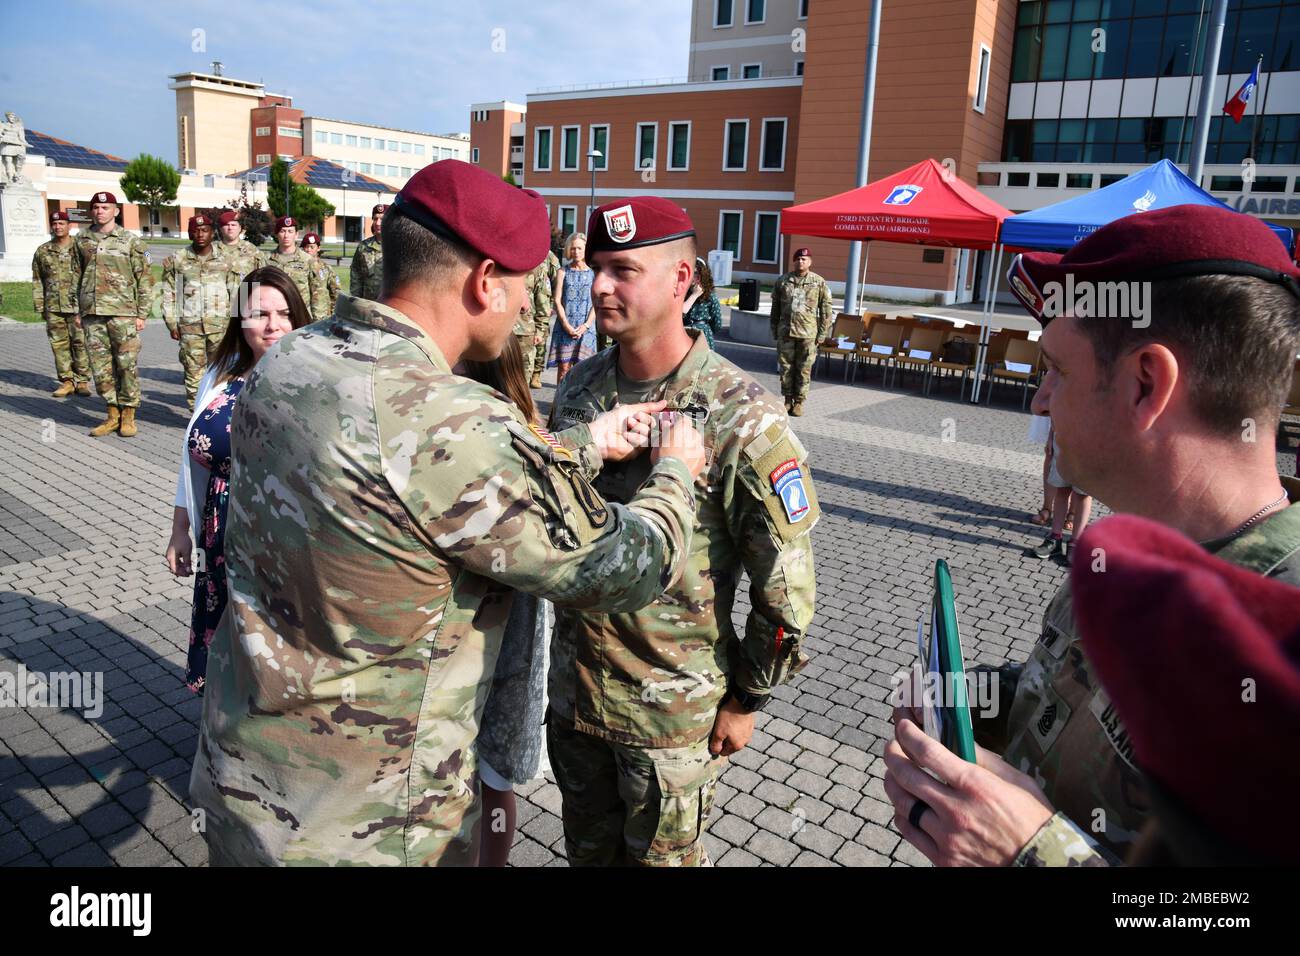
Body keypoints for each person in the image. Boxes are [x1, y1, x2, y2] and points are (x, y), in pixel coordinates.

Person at [188, 160, 706, 867]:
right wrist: (677, 468)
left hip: (246, 787)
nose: (528, 306)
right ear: (484, 281)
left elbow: (415, 486)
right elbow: (625, 566)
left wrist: (582, 444)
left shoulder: (294, 359)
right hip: (372, 830)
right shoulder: (452, 422)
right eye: (524, 286)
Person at [883, 204, 1300, 867]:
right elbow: (1067, 692)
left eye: (1058, 370)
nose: (1040, 401)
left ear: (1145, 385)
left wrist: (1028, 853)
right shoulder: (1125, 551)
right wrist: (967, 704)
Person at [546, 197, 820, 867]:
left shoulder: (743, 416)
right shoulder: (580, 391)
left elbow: (786, 591)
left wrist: (747, 697)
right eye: (599, 268)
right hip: (577, 704)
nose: (602, 286)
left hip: (668, 722)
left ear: (682, 280)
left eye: (624, 271)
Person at [1069, 514, 1300, 866]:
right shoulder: (1124, 563)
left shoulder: (1285, 585)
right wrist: (963, 697)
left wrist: (1037, 849)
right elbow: (1053, 681)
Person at [164, 267, 312, 693]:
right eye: (258, 314)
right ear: (238, 319)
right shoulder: (220, 374)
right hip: (221, 537)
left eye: (284, 313)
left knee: (276, 655)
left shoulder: (313, 378)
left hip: (284, 545)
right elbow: (191, 457)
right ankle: (222, 733)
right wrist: (180, 529)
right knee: (227, 646)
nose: (272, 326)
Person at [459, 335, 552, 866]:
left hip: (506, 635)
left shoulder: (528, 445)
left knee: (492, 774)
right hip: (467, 637)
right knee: (477, 775)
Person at [76, 190, 152, 438]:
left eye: (105, 207)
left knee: (126, 365)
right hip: (92, 313)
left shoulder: (130, 241)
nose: (100, 211)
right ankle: (112, 414)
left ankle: (129, 413)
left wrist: (142, 313)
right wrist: (79, 310)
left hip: (123, 313)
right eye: (96, 208)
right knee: (101, 367)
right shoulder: (82, 239)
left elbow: (144, 279)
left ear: (116, 211)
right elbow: (75, 276)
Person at [161, 214, 242, 410]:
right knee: (193, 371)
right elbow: (170, 292)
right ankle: (196, 412)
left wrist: (239, 324)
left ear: (212, 232)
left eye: (204, 229)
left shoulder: (226, 259)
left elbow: (237, 291)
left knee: (222, 370)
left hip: (220, 327)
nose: (200, 234)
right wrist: (172, 323)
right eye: (195, 230)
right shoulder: (178, 259)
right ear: (189, 233)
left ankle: (217, 410)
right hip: (190, 326)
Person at [31, 210, 91, 397]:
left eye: (62, 224)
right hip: (53, 306)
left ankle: (82, 381)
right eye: (55, 224)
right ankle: (66, 381)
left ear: (69, 226)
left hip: (77, 307)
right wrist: (40, 305)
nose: (58, 227)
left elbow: (90, 277)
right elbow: (37, 280)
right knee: (59, 345)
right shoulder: (43, 251)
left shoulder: (80, 248)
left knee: (80, 343)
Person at [770, 246, 833, 416]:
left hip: (807, 334)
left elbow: (826, 311)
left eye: (804, 259)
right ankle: (787, 399)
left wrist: (822, 334)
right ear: (793, 261)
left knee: (804, 368)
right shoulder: (783, 281)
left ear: (810, 262)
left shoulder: (818, 282)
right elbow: (775, 307)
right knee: (786, 368)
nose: (800, 261)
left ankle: (799, 402)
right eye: (798, 259)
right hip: (786, 332)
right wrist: (774, 329)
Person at [1028, 424, 1093, 564]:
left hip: (1091, 441)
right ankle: (1055, 539)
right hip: (1064, 438)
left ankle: (1076, 542)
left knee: (1083, 494)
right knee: (1062, 489)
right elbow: (1057, 405)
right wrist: (1051, 436)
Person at [546, 232, 596, 385]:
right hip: (564, 326)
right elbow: (557, 300)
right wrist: (566, 325)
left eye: (580, 248)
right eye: (573, 249)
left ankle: (578, 406)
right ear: (569, 250)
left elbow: (597, 302)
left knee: (584, 370)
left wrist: (586, 325)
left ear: (586, 249)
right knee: (564, 368)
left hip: (586, 328)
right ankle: (559, 405)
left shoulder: (594, 273)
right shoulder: (562, 272)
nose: (576, 252)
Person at [264, 215, 329, 320]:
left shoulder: (309, 261)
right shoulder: (265, 260)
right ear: (276, 234)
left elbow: (319, 293)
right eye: (282, 231)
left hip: (301, 318)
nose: (286, 235)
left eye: (290, 231)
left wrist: (318, 322)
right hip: (274, 318)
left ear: (296, 234)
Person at [530, 248, 561, 388]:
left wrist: (553, 303)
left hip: (543, 302)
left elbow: (557, 281)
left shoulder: (549, 256)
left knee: (541, 340)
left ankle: (536, 373)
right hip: (528, 301)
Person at [682, 256, 723, 348]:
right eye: (691, 272)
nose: (693, 277)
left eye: (696, 273)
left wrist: (704, 329)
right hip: (685, 335)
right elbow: (680, 313)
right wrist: (694, 295)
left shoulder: (710, 296)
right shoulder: (681, 294)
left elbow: (717, 324)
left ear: (703, 275)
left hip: (703, 336)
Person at [349, 203, 387, 300]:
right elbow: (356, 273)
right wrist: (355, 300)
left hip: (389, 305)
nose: (378, 223)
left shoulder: (397, 246)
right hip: (367, 303)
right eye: (375, 219)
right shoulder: (363, 246)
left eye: (382, 219)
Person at [216, 210, 263, 279]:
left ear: (240, 228)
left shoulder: (252, 250)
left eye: (233, 225)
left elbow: (258, 277)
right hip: (218, 289)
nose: (230, 228)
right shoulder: (211, 249)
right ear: (221, 229)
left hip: (244, 289)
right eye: (226, 225)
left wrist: (250, 290)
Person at [301, 232, 340, 314]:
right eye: (306, 247)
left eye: (312, 247)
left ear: (318, 248)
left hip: (321, 315)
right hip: (302, 314)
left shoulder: (326, 268)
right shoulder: (297, 269)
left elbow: (336, 293)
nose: (308, 250)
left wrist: (333, 312)